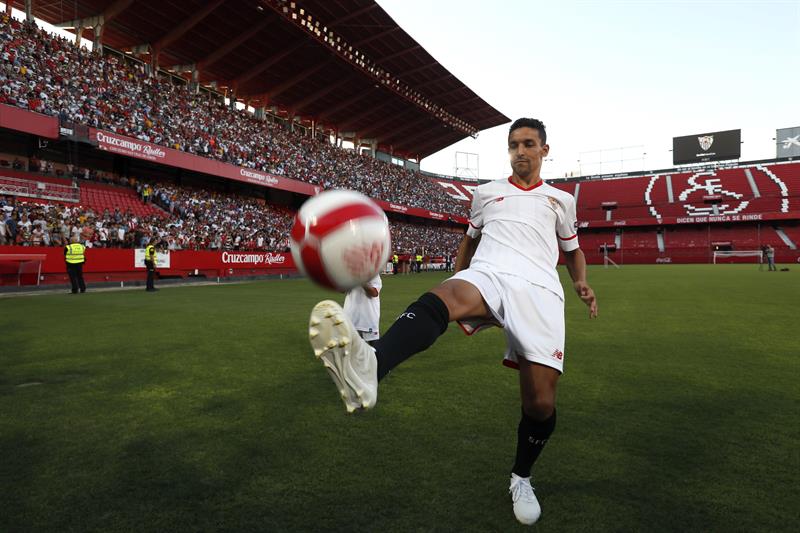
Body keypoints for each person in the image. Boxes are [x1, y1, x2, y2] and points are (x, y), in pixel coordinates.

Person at [308, 118, 598, 526]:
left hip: (540, 289)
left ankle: (521, 476)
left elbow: (572, 250)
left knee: (540, 403)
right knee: (440, 300)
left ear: (544, 151)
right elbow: (471, 240)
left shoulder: (560, 201)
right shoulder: (486, 194)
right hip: (491, 271)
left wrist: (581, 282)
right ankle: (372, 365)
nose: (520, 151)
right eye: (514, 145)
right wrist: (460, 276)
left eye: (528, 144)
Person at [342, 273, 382, 349]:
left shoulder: (373, 274)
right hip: (351, 314)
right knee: (350, 347)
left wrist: (361, 281)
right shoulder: (349, 273)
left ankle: (377, 360)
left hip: (369, 316)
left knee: (374, 346)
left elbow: (374, 293)